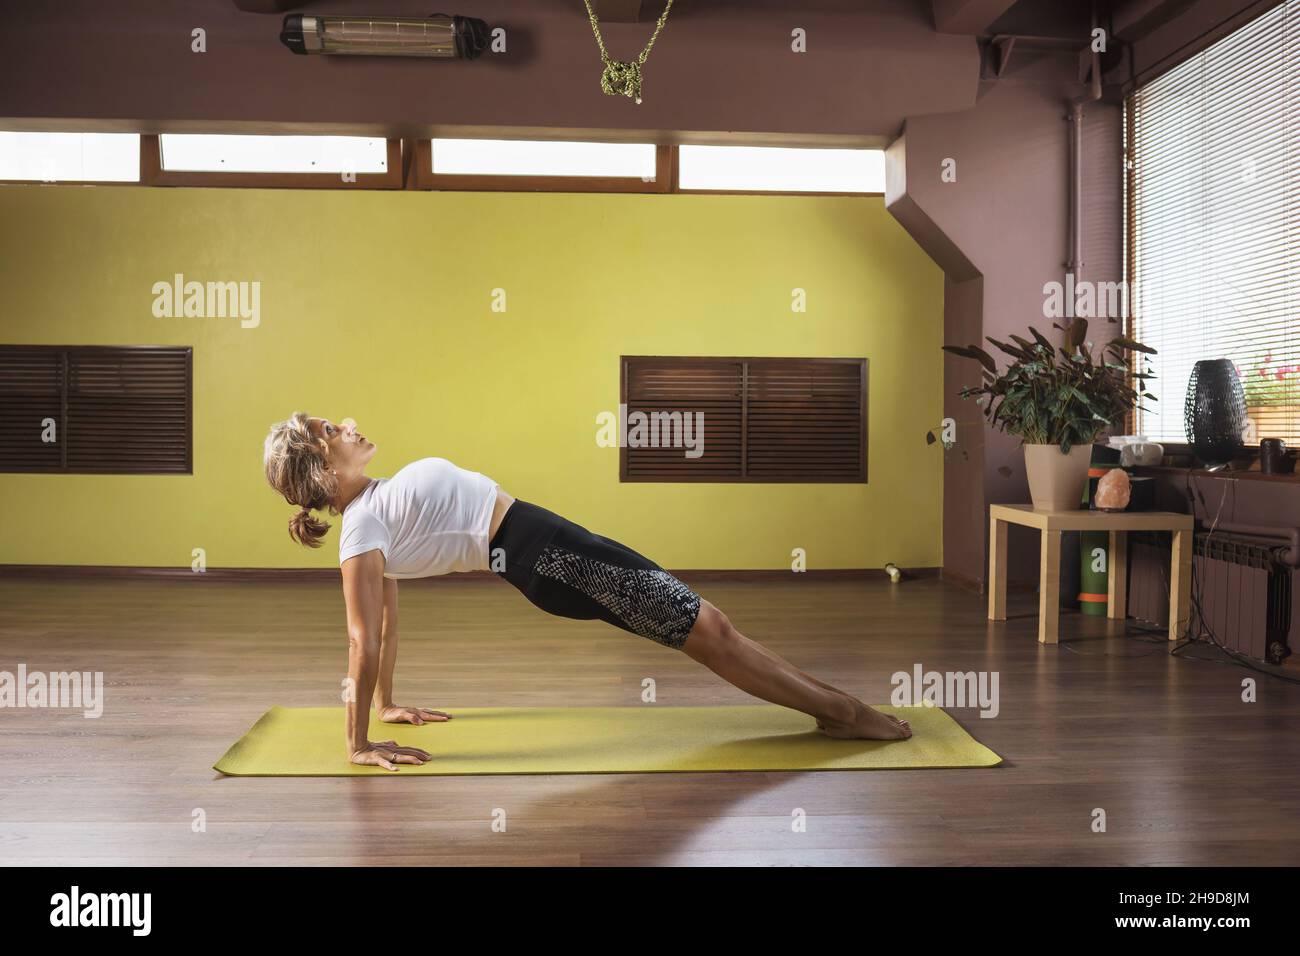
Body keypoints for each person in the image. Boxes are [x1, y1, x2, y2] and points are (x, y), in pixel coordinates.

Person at [262, 412, 911, 770]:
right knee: (708, 629)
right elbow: (361, 636)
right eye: (332, 428)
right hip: (546, 557)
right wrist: (358, 742)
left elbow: (386, 626)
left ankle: (838, 709)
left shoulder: (379, 501)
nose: (349, 422)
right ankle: (843, 717)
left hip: (546, 546)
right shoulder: (363, 528)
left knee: (710, 627)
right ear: (321, 464)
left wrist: (388, 704)